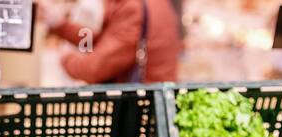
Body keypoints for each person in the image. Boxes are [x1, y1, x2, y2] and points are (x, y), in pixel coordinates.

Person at [44, 0, 182, 84]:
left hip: (144, 105)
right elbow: (106, 42)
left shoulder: (133, 7)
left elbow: (93, 69)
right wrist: (59, 25)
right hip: (153, 98)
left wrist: (64, 57)